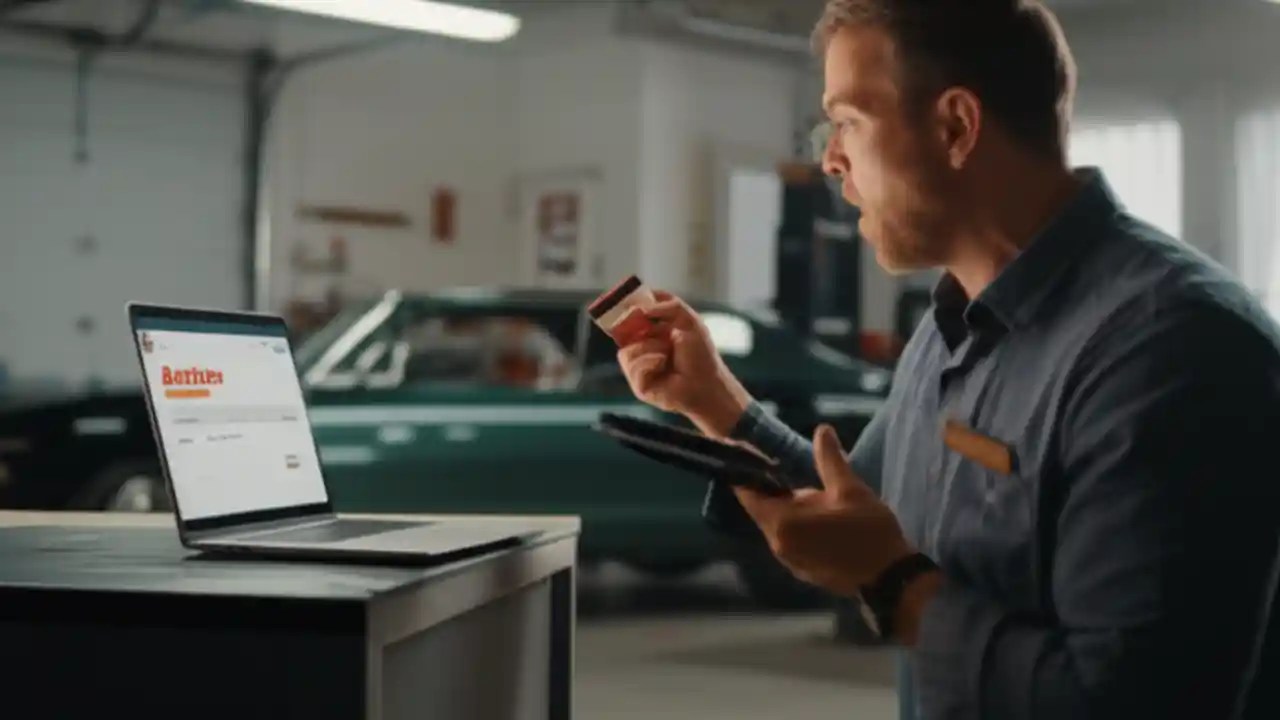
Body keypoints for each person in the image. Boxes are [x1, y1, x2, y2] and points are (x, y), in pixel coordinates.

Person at [617, 1, 1280, 718]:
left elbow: (1124, 701)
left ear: (956, 126)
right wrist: (715, 404)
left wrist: (896, 586)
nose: (829, 157)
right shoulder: (952, 327)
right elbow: (858, 511)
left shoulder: (1174, 351)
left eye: (848, 122)